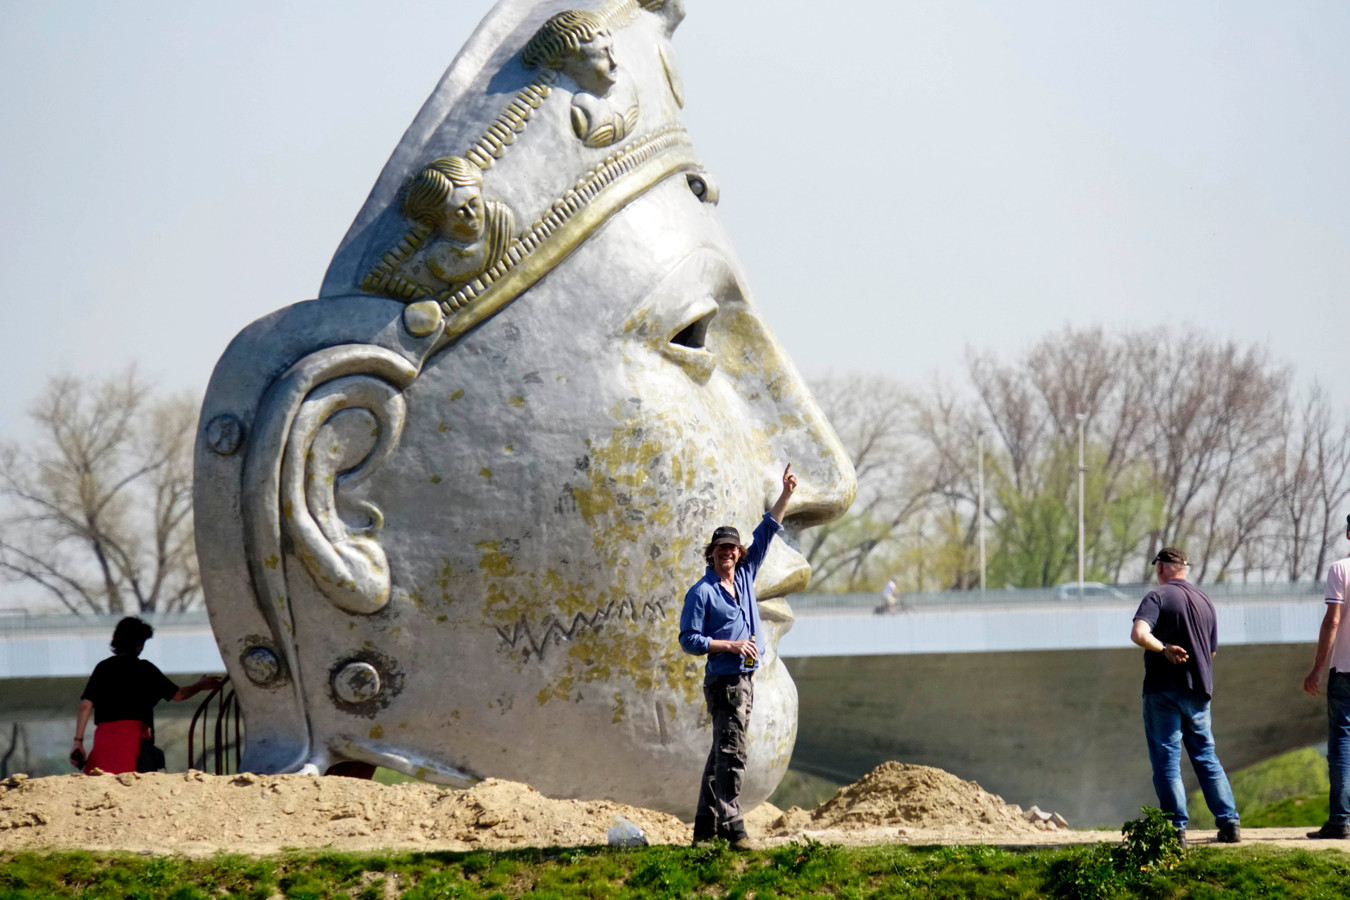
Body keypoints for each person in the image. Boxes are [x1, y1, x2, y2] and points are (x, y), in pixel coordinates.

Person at [679, 463, 798, 849]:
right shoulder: (702, 593)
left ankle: (702, 831)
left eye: (733, 548)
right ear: (710, 555)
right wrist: (729, 645)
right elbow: (689, 639)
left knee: (721, 755)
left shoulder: (745, 576)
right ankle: (734, 831)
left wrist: (785, 496)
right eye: (721, 549)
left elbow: (767, 531)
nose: (727, 553)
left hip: (745, 680)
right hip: (724, 681)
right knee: (733, 756)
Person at [1130, 548, 1240, 845]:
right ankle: (1229, 824)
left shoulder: (1158, 597)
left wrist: (1163, 648)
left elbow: (1139, 634)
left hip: (1163, 690)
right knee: (1206, 757)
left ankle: (1175, 829)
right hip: (1199, 691)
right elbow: (1212, 650)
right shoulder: (1205, 601)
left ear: (1162, 568)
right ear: (1185, 569)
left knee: (1167, 760)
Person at [72, 616, 224, 775]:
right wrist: (199, 686)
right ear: (139, 645)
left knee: (102, 784)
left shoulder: (102, 668)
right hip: (133, 741)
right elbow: (179, 695)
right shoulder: (146, 669)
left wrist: (78, 742)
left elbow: (85, 706)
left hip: (104, 740)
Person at [1302, 514, 1350, 840]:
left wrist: (1317, 667)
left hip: (1345, 669)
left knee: (1343, 745)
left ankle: (1340, 821)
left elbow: (1332, 622)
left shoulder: (1340, 569)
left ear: (1348, 534)